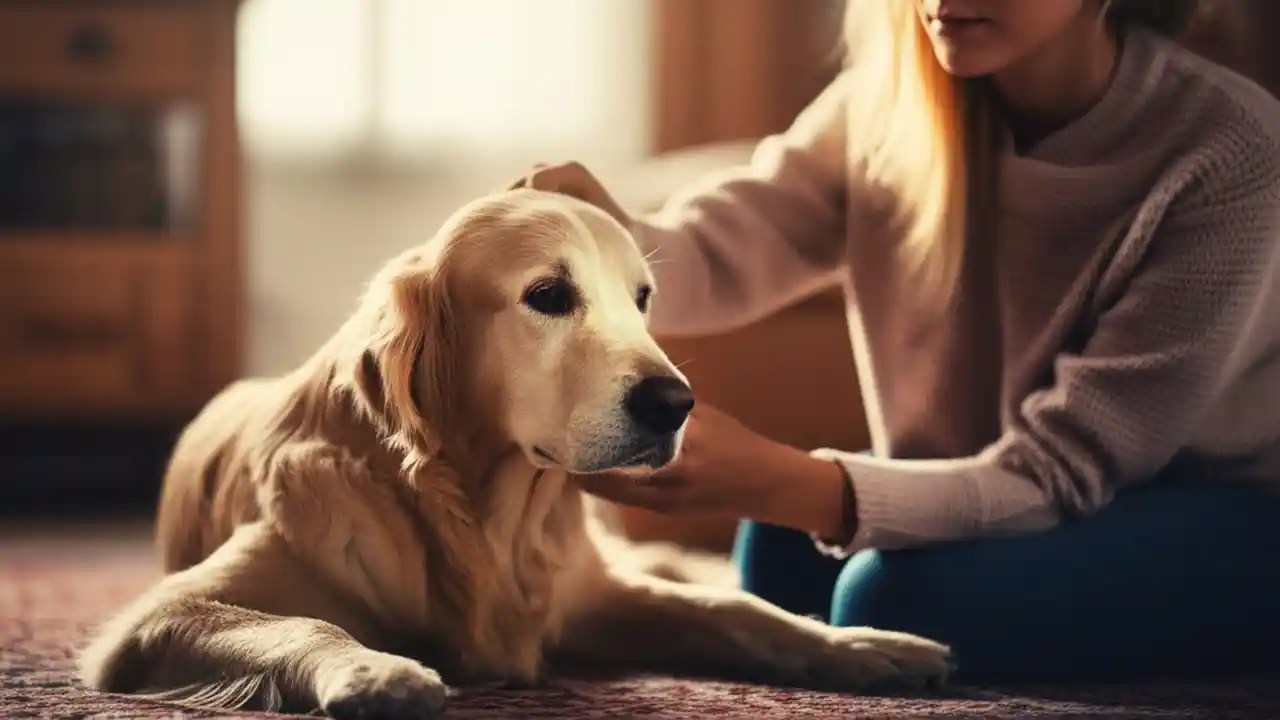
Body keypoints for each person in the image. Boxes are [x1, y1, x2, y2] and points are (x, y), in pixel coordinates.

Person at [515, 0, 1280, 682]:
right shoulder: (894, 102)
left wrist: (789, 480)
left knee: (887, 594)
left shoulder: (1230, 151)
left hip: (1201, 510)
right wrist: (605, 237)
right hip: (995, 484)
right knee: (775, 557)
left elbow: (1067, 469)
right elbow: (724, 248)